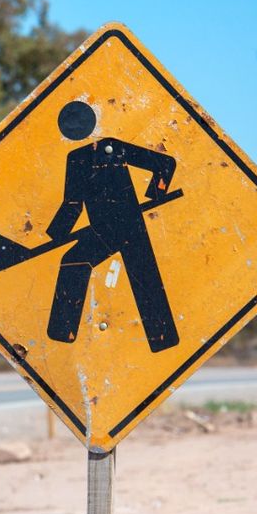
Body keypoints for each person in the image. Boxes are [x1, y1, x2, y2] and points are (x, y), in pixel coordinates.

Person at [45, 101, 180, 352]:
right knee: (73, 261)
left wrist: (155, 195)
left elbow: (165, 164)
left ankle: (164, 339)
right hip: (102, 231)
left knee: (146, 279)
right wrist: (55, 235)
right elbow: (72, 203)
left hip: (130, 226)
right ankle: (62, 335)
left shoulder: (113, 147)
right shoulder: (75, 158)